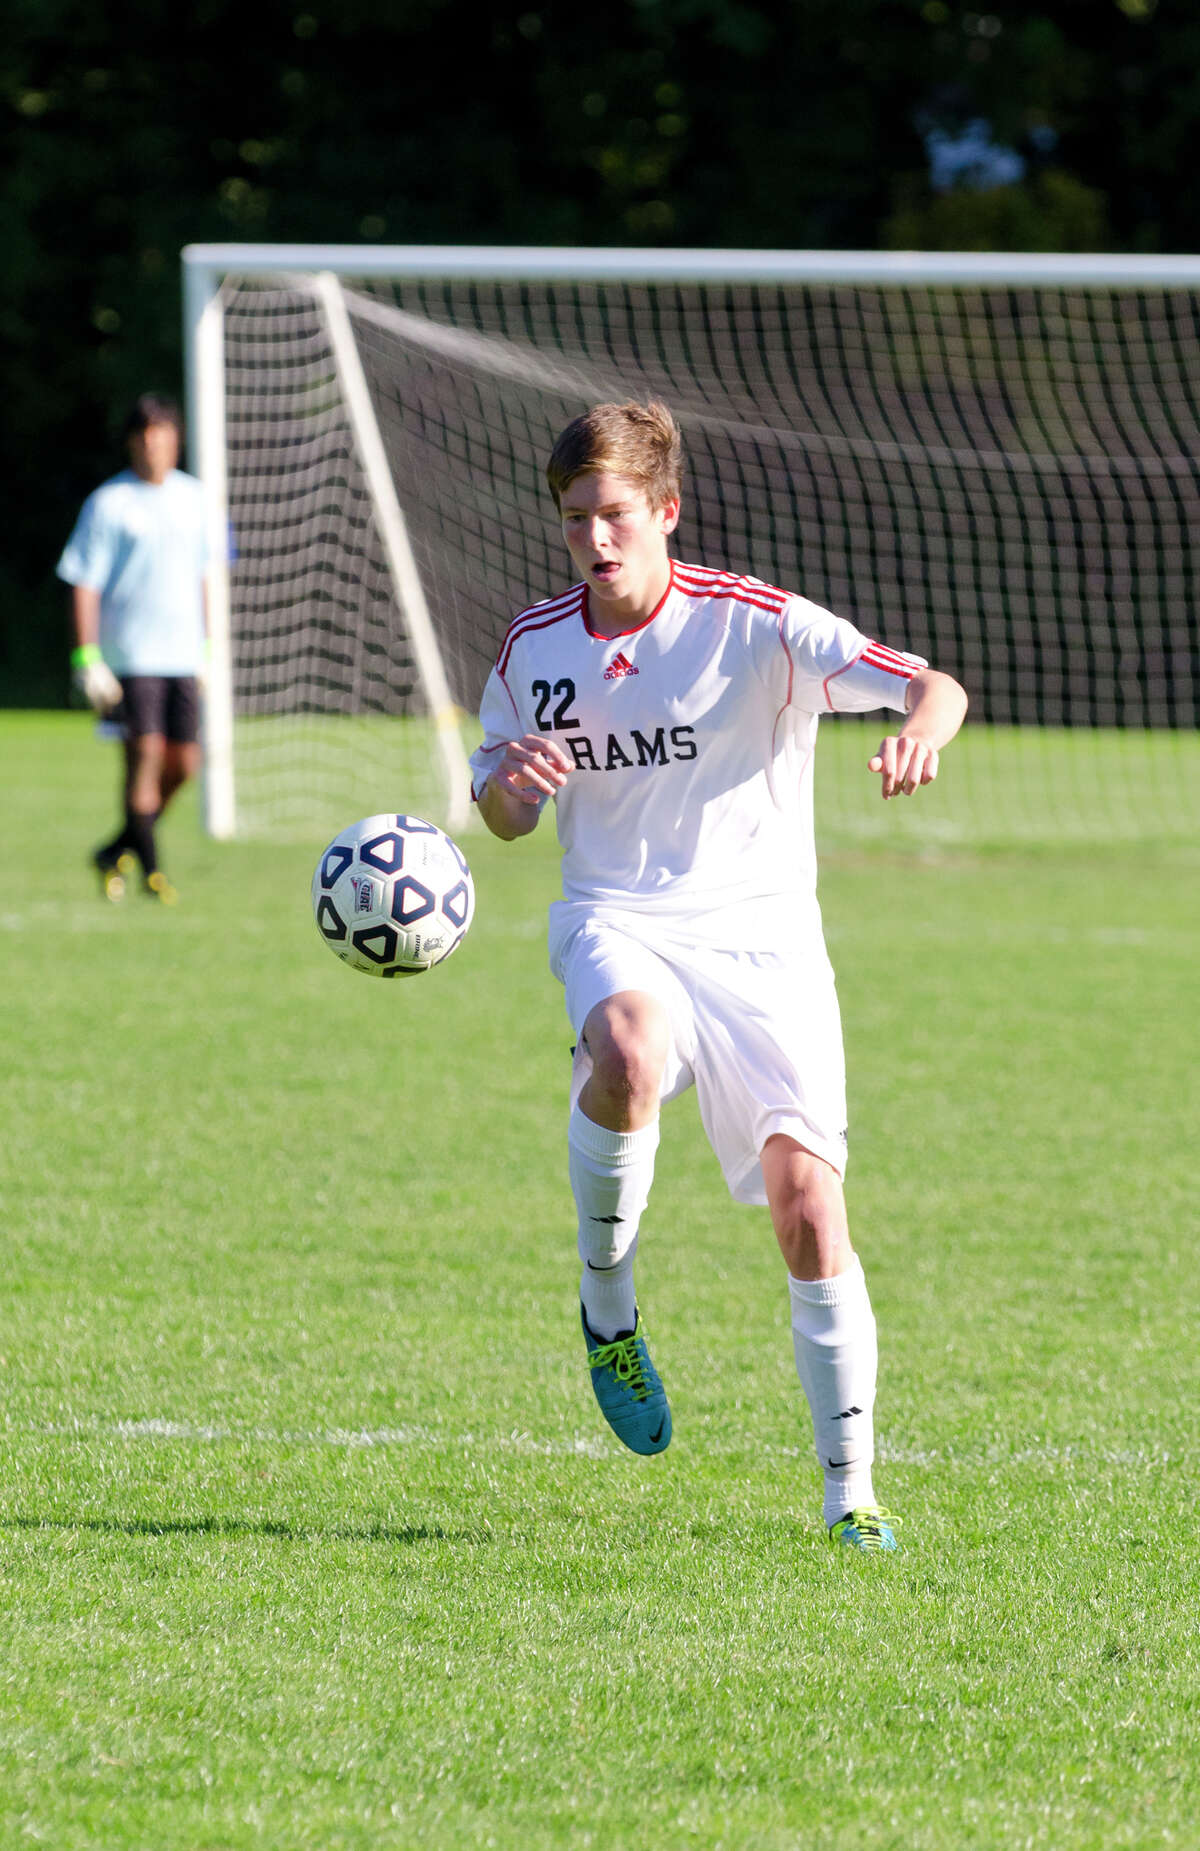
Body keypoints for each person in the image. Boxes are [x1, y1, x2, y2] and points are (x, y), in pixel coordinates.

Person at [470, 399, 968, 1553]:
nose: (596, 539)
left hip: (764, 942)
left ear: (667, 514)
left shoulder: (756, 625)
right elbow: (496, 811)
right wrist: (516, 790)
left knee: (808, 1211)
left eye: (616, 516)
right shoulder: (533, 647)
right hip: (617, 916)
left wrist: (922, 734)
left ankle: (852, 1496)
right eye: (577, 518)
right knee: (630, 1047)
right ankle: (608, 1310)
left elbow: (926, 684)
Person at [57, 392, 210, 903]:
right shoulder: (109, 503)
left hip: (184, 656)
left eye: (162, 436)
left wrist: (208, 650)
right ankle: (151, 871)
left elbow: (207, 577)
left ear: (176, 441)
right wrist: (88, 658)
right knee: (143, 753)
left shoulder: (196, 498)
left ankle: (115, 849)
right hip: (131, 657)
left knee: (185, 763)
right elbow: (84, 582)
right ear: (132, 444)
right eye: (144, 437)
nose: (153, 447)